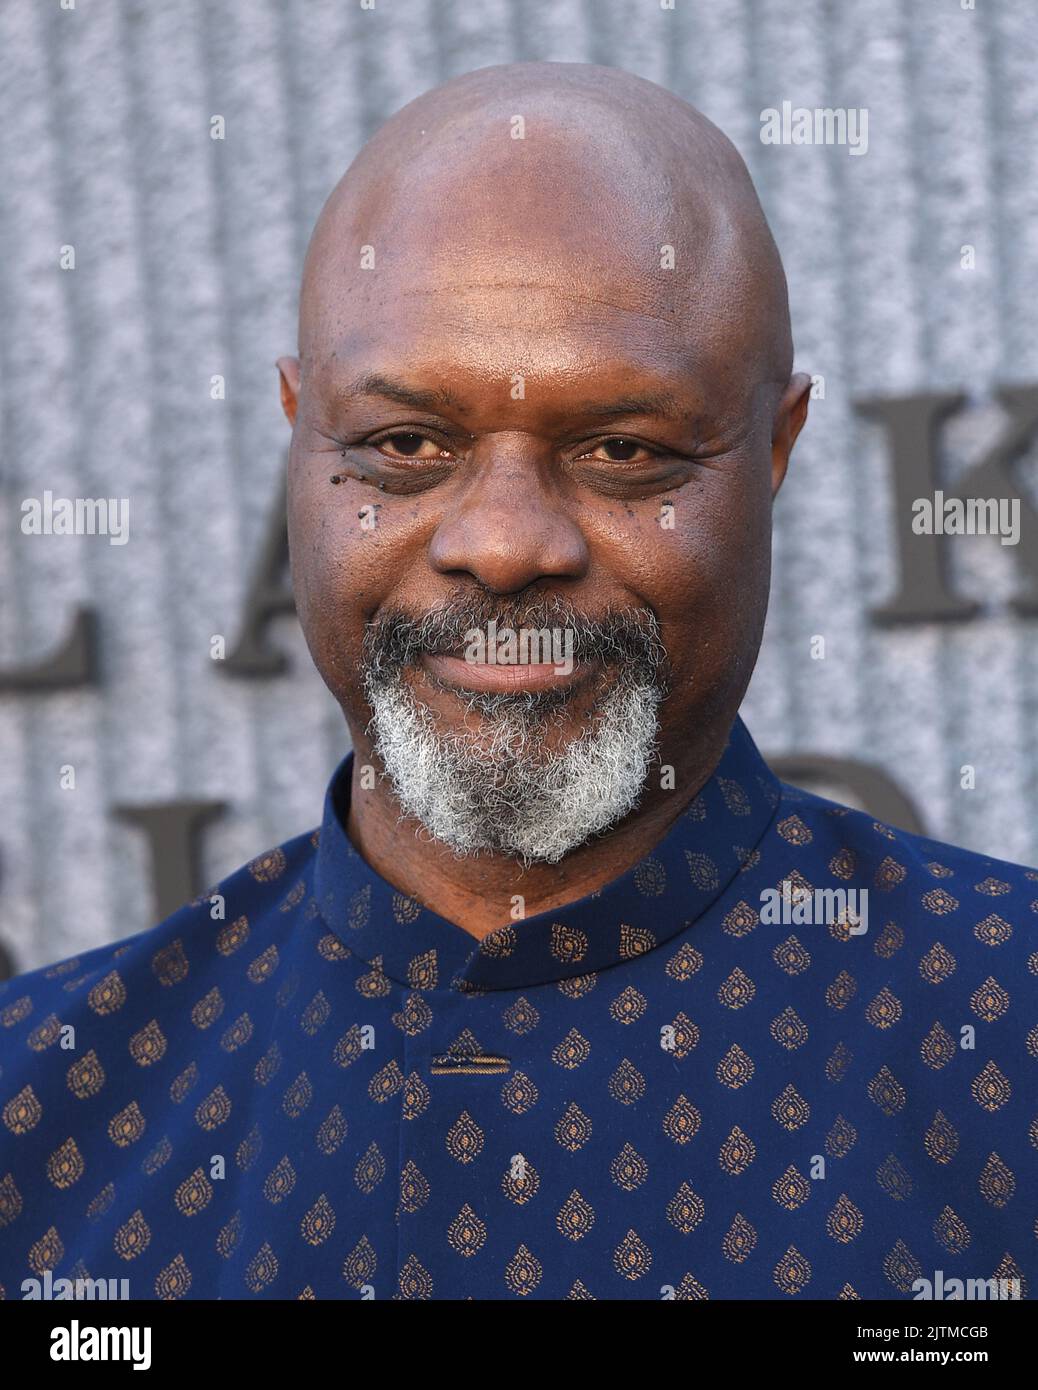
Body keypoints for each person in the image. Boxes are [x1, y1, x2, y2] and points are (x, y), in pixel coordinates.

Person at [2, 62, 1034, 1302]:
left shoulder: (1006, 1028)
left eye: (622, 449)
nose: (501, 542)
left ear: (775, 452)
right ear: (297, 430)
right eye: (404, 444)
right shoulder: (41, 1110)